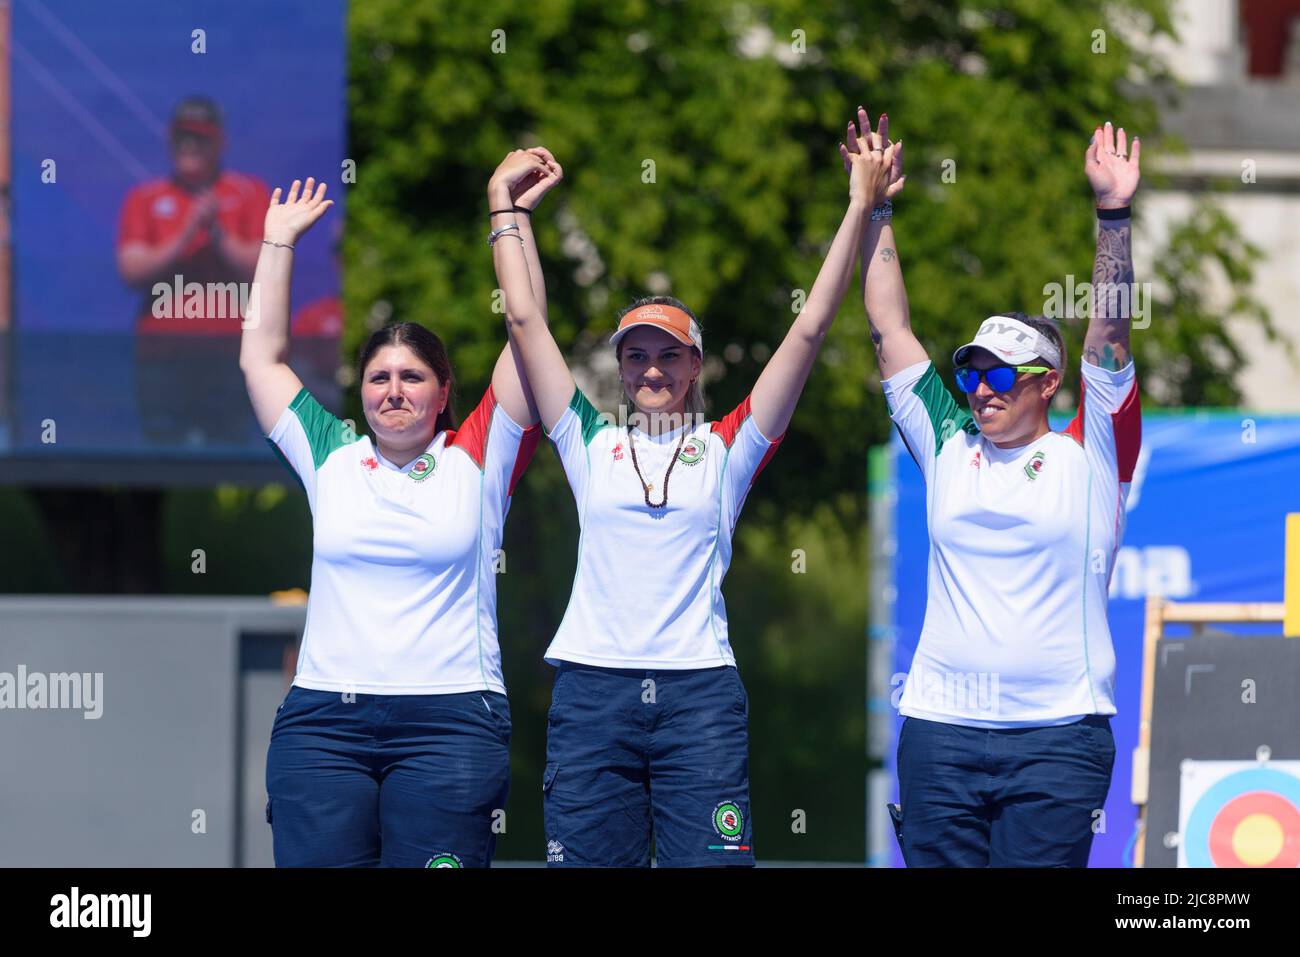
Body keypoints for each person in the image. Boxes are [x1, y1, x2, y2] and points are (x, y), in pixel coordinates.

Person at [486, 128, 894, 866]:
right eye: (635, 353)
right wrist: (504, 209)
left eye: (667, 353)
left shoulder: (729, 446)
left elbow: (809, 330)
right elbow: (523, 321)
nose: (649, 368)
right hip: (592, 692)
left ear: (695, 363)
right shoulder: (587, 438)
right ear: (618, 365)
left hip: (697, 699)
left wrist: (859, 206)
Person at [243, 171, 554, 867]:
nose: (393, 391)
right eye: (379, 377)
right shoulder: (330, 454)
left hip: (449, 723)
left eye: (412, 376)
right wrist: (277, 242)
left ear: (444, 391)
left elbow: (529, 327)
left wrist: (508, 215)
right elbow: (260, 357)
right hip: (324, 724)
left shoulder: (480, 454)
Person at [858, 111, 1142, 866]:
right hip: (939, 733)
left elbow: (1109, 337)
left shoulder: (1093, 449)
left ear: (1050, 382)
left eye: (999, 374)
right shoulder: (948, 441)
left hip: (1059, 735)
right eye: (970, 373)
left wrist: (1113, 214)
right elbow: (889, 327)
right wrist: (875, 205)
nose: (980, 390)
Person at [118, 96, 271, 445]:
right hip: (163, 355)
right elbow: (131, 269)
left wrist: (218, 234)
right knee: (162, 450)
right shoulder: (146, 197)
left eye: (200, 137)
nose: (190, 145)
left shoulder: (249, 193)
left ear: (220, 142)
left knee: (231, 449)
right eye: (182, 136)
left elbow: (264, 268)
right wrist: (185, 234)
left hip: (231, 353)